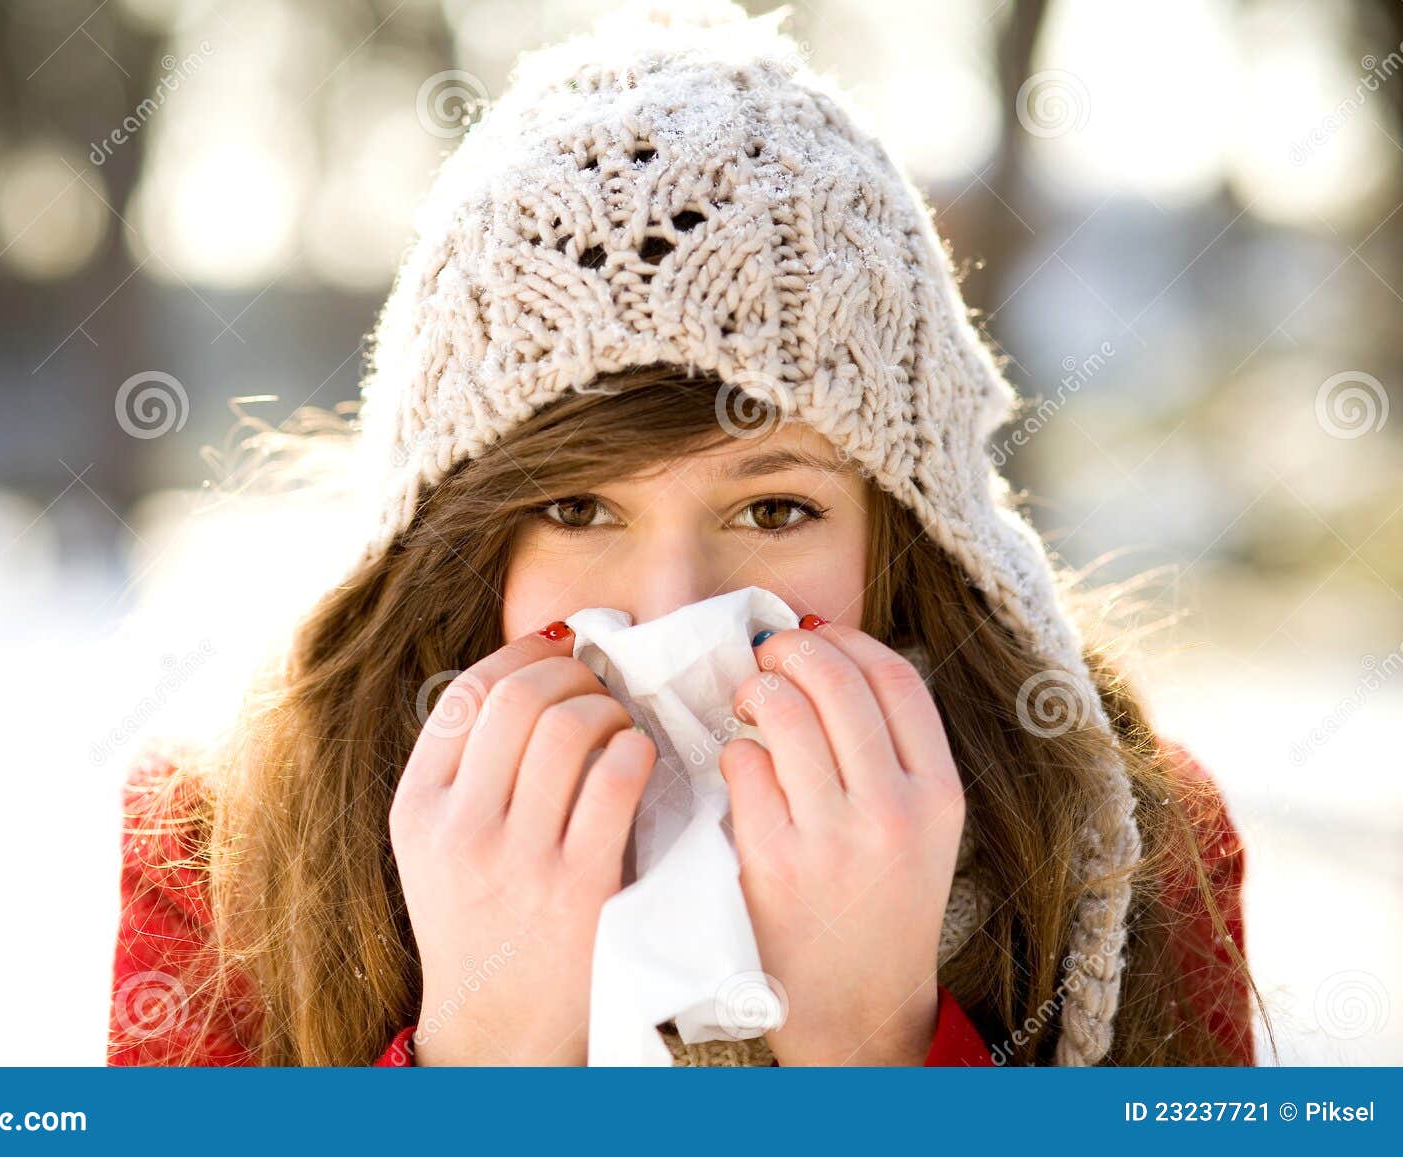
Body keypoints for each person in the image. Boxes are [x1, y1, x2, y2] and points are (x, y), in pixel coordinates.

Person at [107, 2, 1263, 1068]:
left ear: (908, 535)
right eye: (575, 509)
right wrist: (486, 1051)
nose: (668, 604)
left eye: (773, 510)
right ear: (453, 542)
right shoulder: (225, 850)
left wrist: (873, 1041)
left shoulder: (1128, 836)